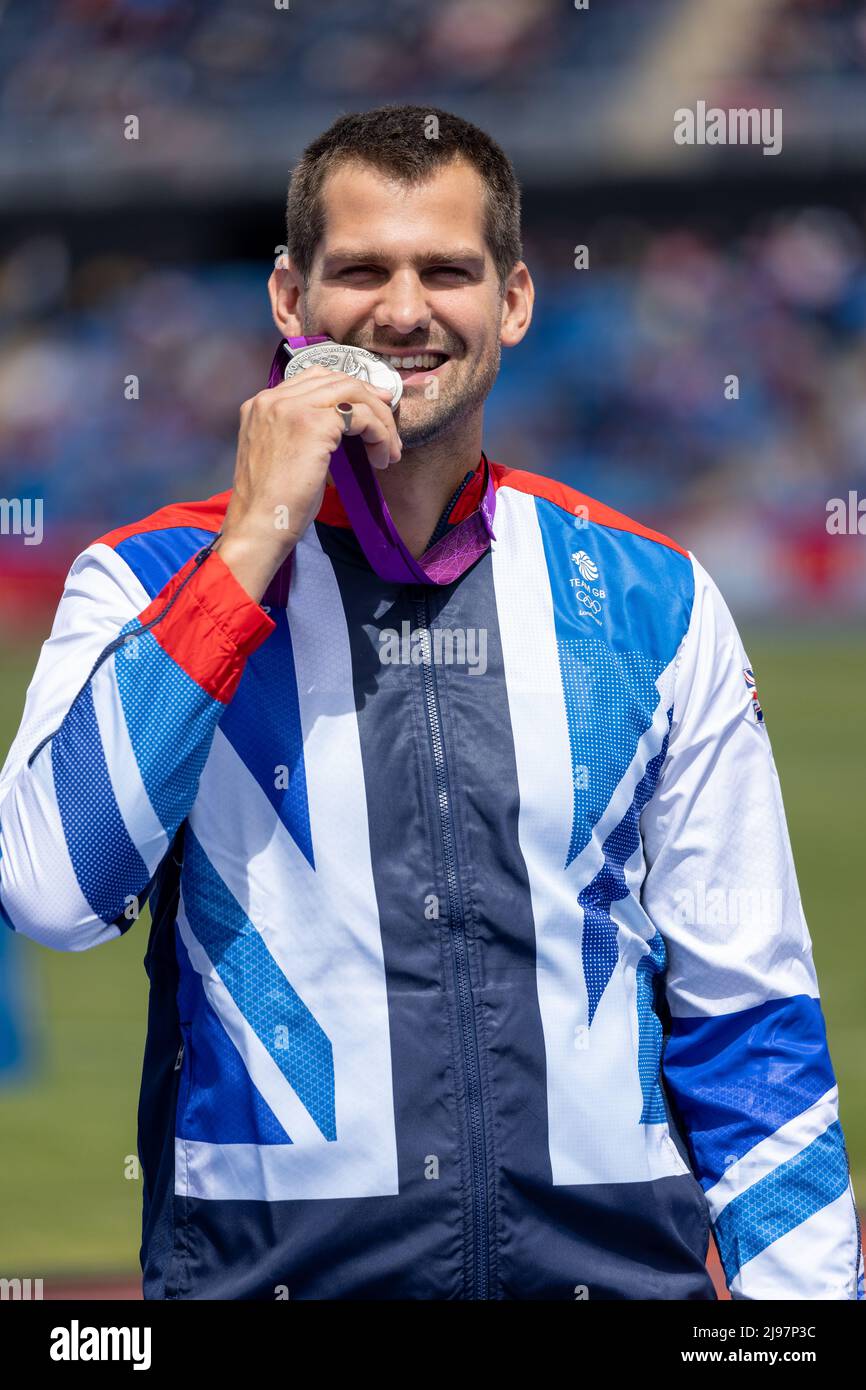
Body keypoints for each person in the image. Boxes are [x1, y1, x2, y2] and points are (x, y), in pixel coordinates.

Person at [0, 104, 861, 1301]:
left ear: (511, 300)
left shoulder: (648, 598)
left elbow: (749, 1010)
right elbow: (54, 889)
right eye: (360, 270)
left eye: (444, 270)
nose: (402, 312)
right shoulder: (144, 581)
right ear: (290, 302)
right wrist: (252, 542)